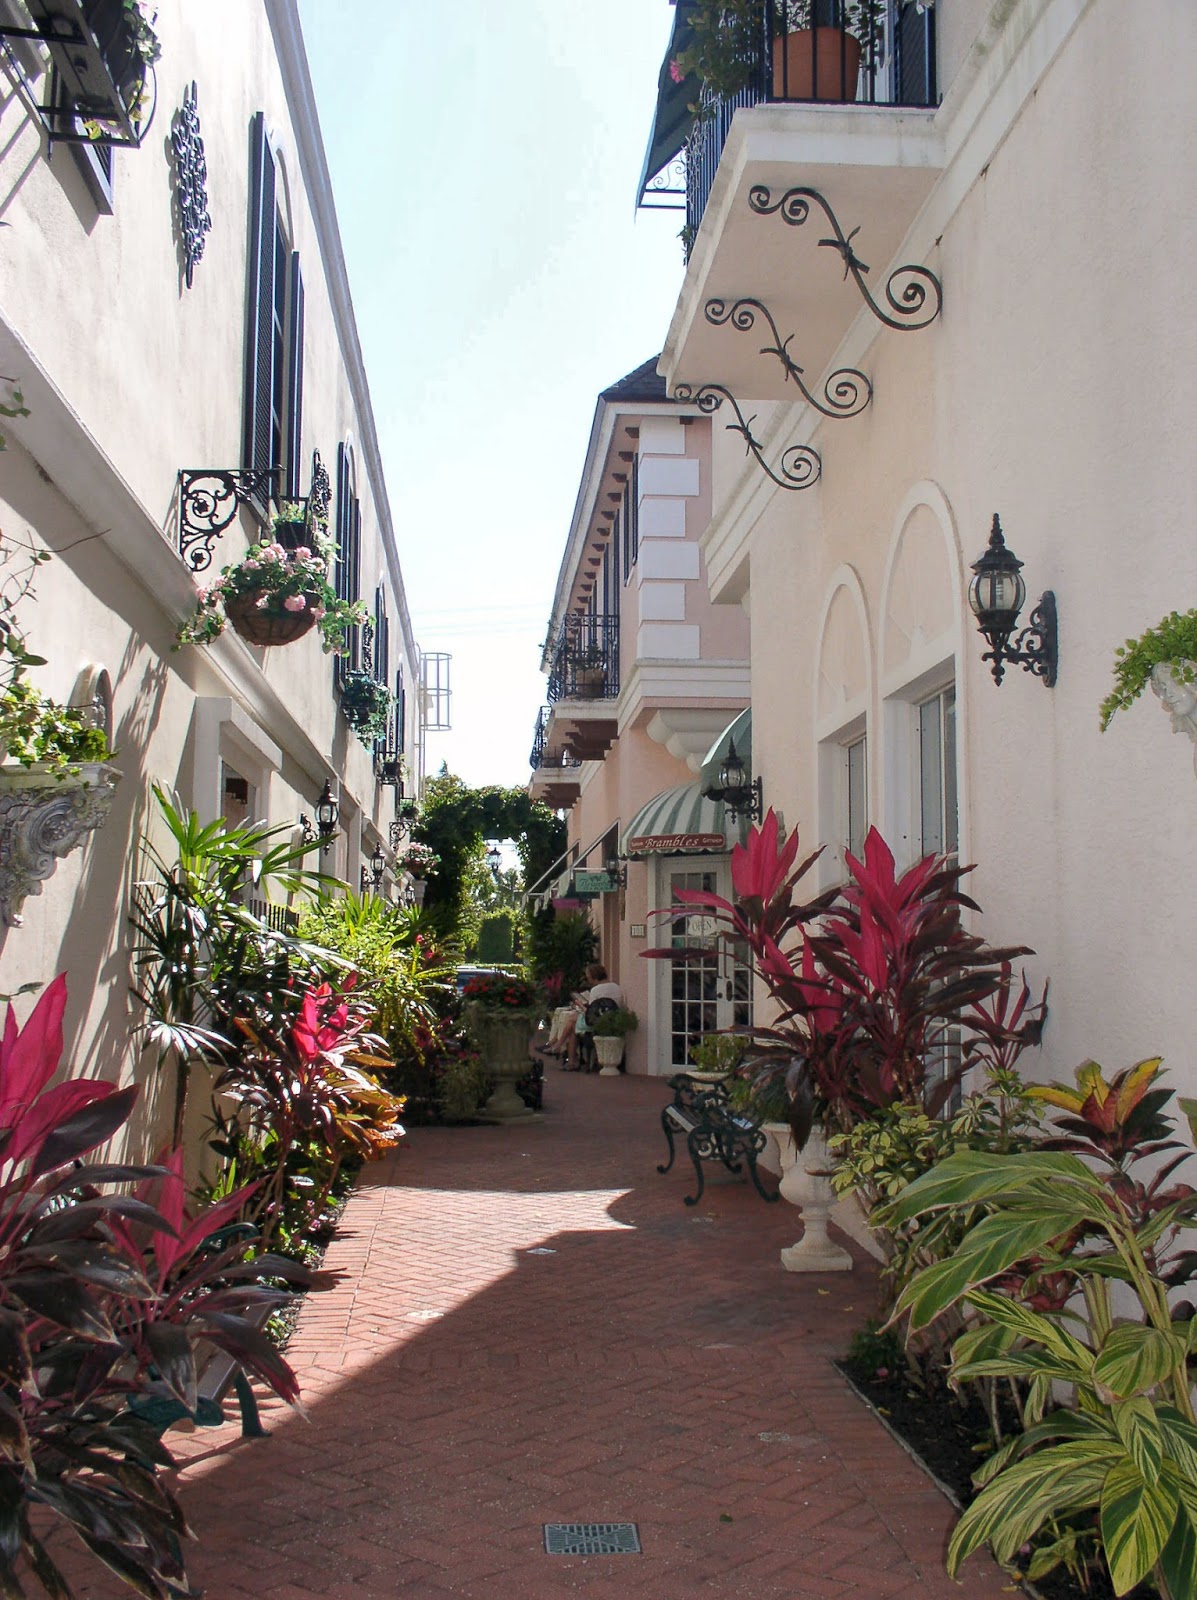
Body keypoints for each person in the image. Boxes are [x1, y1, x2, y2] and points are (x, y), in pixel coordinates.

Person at [564, 963, 624, 1071]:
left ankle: (569, 1059)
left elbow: (591, 1013)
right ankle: (558, 1048)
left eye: (588, 976)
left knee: (572, 1022)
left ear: (593, 976)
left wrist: (580, 1005)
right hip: (612, 1021)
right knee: (573, 1021)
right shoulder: (616, 987)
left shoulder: (595, 990)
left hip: (596, 1022)